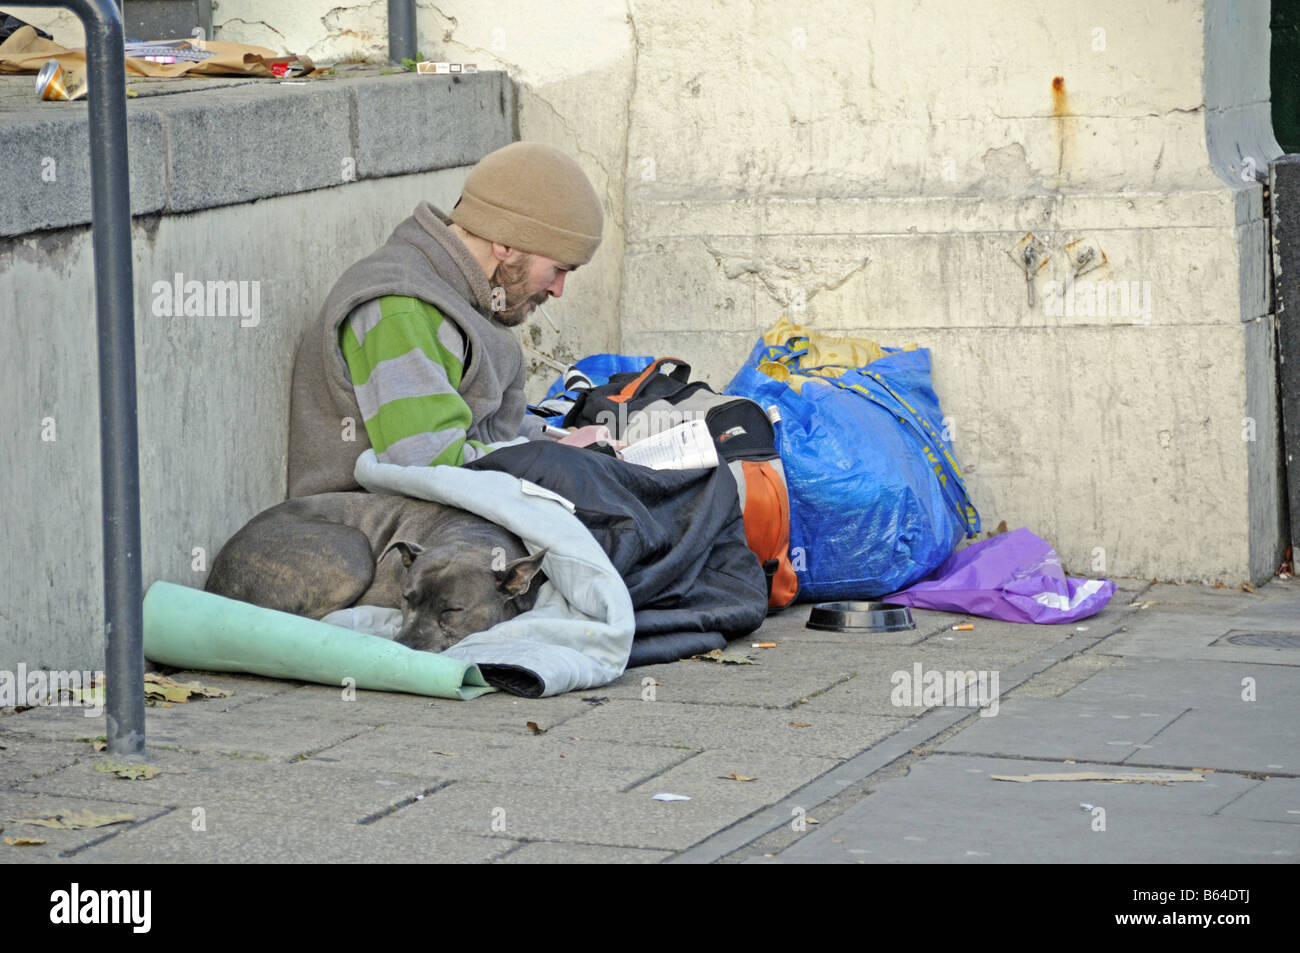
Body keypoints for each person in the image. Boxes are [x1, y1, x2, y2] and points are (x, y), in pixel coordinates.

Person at [287, 141, 603, 498]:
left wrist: (564, 444)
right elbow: (432, 469)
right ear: (506, 244)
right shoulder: (398, 309)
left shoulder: (464, 294)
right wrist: (554, 463)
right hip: (372, 527)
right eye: (558, 270)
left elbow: (486, 428)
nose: (559, 290)